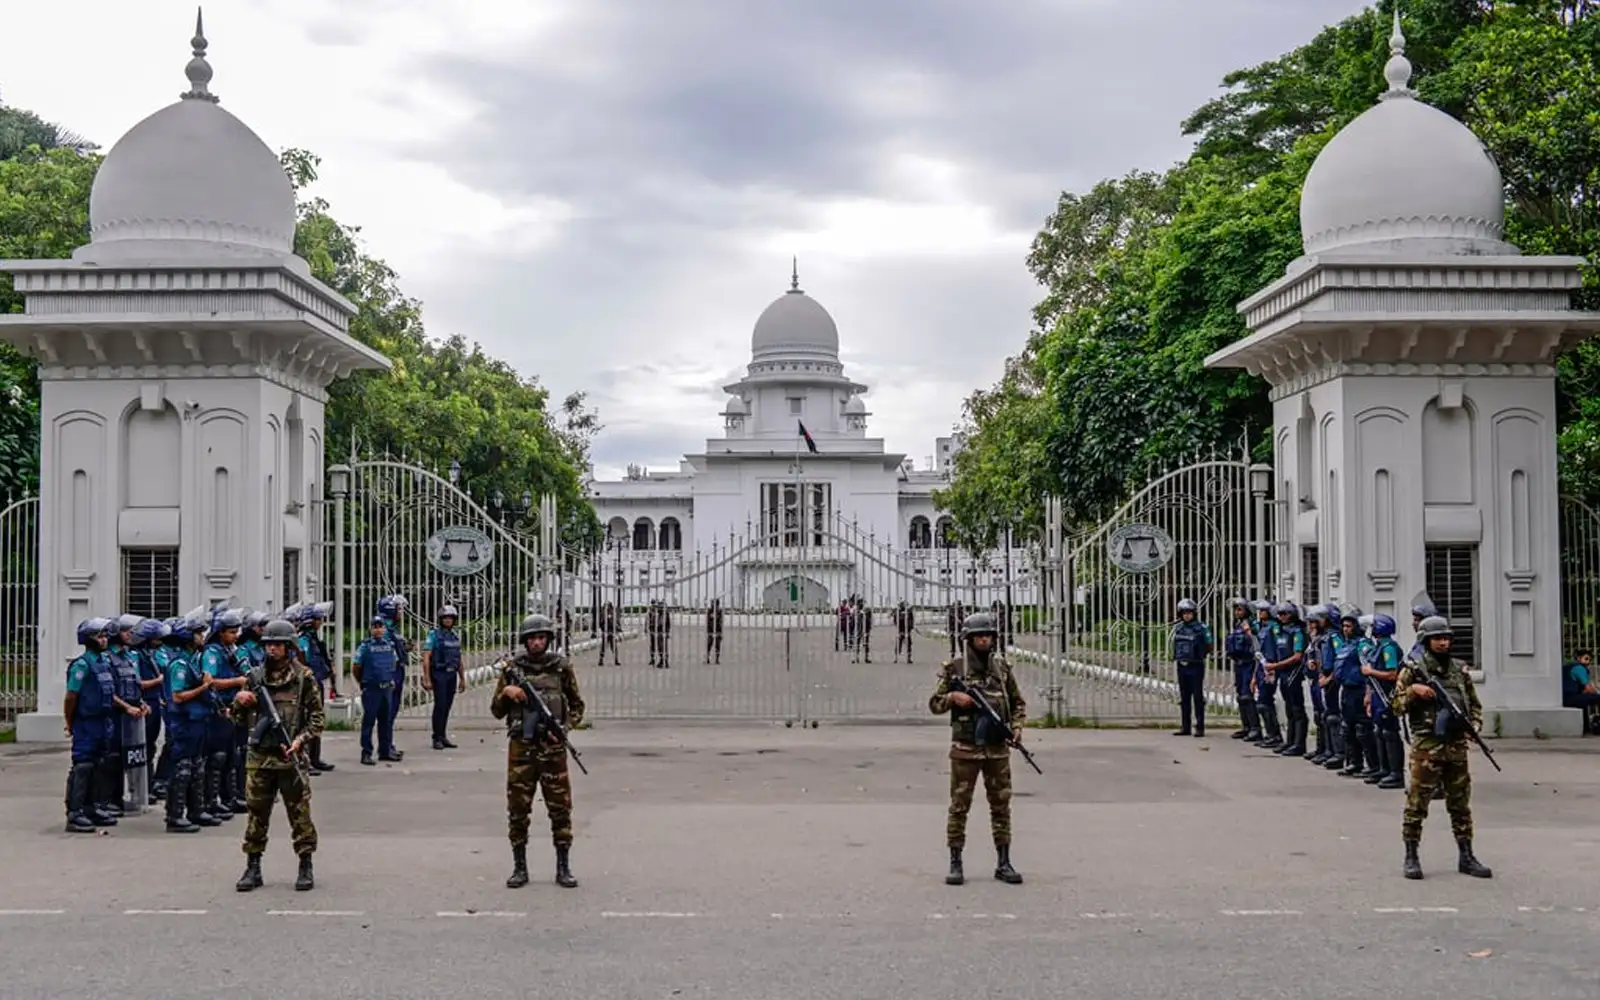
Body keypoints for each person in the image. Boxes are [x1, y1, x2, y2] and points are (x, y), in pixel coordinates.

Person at [928, 612, 1026, 886]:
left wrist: (1016, 729)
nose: (985, 639)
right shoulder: (955, 669)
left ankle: (1003, 862)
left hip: (997, 751)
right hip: (965, 749)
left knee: (1001, 806)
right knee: (959, 807)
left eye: (989, 635)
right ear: (968, 640)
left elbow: (1018, 704)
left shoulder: (1002, 668)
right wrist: (953, 697)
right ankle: (956, 862)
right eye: (980, 636)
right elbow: (934, 704)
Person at [1391, 615, 1492, 881]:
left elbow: (1474, 704)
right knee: (1417, 804)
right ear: (1426, 640)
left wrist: (1475, 726)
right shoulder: (1413, 670)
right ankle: (1411, 856)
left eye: (1446, 637)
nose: (1443, 642)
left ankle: (1466, 855)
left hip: (1456, 746)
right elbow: (1395, 706)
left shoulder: (1459, 670)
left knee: (1460, 804)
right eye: (1438, 638)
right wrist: (1414, 691)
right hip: (1427, 748)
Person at [230, 618, 325, 893]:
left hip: (290, 757)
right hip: (260, 758)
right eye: (268, 644)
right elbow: (236, 719)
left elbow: (317, 719)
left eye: (277, 645)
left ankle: (305, 864)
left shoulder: (303, 677)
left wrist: (300, 740)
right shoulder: (255, 677)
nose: (271, 649)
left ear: (289, 647)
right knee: (256, 815)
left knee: (300, 815)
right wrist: (239, 702)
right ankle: (253, 866)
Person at [492, 613, 586, 890]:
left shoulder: (560, 667)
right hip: (521, 750)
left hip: (553, 750)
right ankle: (519, 867)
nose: (537, 642)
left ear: (548, 639)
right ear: (525, 640)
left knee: (560, 809)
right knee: (518, 809)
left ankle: (563, 866)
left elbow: (577, 705)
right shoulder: (512, 670)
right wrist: (506, 692)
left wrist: (565, 727)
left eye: (541, 637)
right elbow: (496, 712)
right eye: (532, 638)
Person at [63, 618, 118, 832]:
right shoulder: (82, 665)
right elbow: (71, 696)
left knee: (99, 765)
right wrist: (69, 721)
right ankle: (75, 813)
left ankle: (93, 807)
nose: (104, 639)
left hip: (103, 721)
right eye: (100, 636)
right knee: (83, 766)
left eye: (105, 636)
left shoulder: (103, 662)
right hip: (86, 723)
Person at [1362, 613, 1406, 789]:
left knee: (1390, 732)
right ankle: (1383, 769)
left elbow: (1392, 674)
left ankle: (1396, 773)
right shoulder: (1378, 647)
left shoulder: (1389, 648)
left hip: (1387, 695)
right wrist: (1368, 696)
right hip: (1377, 695)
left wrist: (1370, 672)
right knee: (1379, 731)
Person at [353, 616, 402, 766]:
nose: (378, 629)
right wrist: (363, 682)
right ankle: (366, 753)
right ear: (370, 629)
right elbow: (356, 667)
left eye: (380, 626)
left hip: (386, 688)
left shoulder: (389, 645)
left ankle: (385, 751)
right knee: (369, 722)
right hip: (371, 689)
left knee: (385, 722)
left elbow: (393, 664)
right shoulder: (365, 646)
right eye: (375, 626)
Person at [422, 605, 465, 750]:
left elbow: (459, 658)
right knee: (440, 706)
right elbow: (426, 658)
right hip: (439, 674)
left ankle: (443, 735)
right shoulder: (433, 635)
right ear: (441, 619)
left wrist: (463, 678)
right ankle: (436, 737)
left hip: (452, 674)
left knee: (447, 706)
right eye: (446, 618)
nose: (448, 620)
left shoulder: (455, 636)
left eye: (451, 618)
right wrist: (427, 678)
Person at [1171, 598, 1211, 737]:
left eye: (1189, 613)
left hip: (1196, 665)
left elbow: (1208, 645)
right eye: (1184, 613)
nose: (1187, 615)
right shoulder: (1178, 628)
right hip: (1182, 665)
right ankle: (1185, 726)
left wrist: (1200, 655)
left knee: (1197, 696)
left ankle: (1200, 726)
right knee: (1184, 696)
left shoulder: (1202, 628)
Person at [1224, 599, 1260, 740]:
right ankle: (1246, 727)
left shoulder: (1252, 624)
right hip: (1238, 664)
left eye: (1240, 609)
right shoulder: (1237, 625)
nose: (1237, 612)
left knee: (1247, 695)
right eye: (1236, 609)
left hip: (1248, 662)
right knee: (1240, 696)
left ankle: (1255, 728)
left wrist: (1249, 631)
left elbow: (1257, 642)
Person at [597, 601, 620, 665]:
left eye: (609, 606)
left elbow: (616, 622)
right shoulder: (602, 614)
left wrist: (616, 628)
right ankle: (601, 660)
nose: (607, 608)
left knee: (614, 647)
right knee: (603, 647)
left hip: (612, 632)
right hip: (605, 632)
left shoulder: (613, 613)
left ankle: (616, 660)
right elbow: (600, 623)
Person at [705, 599, 724, 664]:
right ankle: (707, 658)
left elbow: (720, 622)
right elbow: (708, 622)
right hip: (711, 630)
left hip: (718, 630)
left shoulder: (719, 611)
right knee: (709, 644)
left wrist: (720, 633)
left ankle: (717, 659)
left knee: (717, 645)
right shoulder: (710, 611)